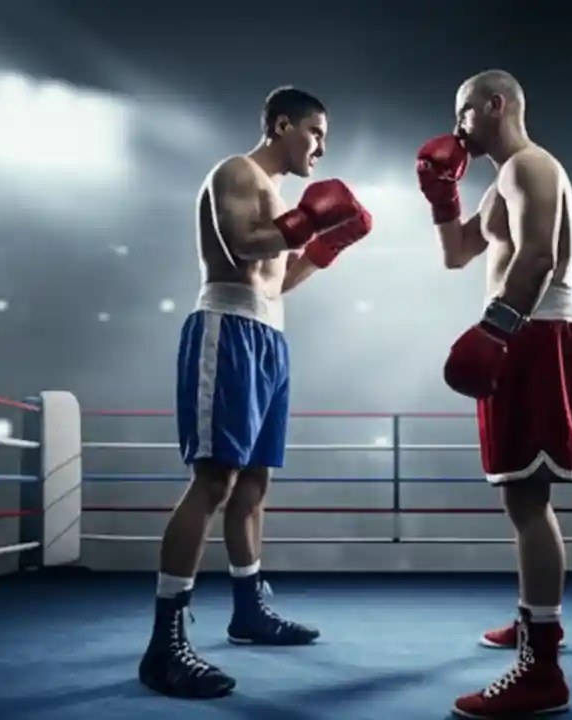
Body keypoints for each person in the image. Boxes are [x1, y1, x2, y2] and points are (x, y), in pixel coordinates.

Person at [139, 86, 373, 699]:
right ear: (280, 124)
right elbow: (244, 245)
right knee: (213, 480)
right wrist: (309, 221)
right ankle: (164, 644)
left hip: (269, 335)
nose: (322, 147)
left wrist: (326, 246)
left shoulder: (282, 197)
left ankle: (248, 608)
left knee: (255, 483)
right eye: (316, 132)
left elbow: (276, 280)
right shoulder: (235, 173)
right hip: (227, 329)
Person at [416, 69, 572, 718]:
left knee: (527, 496)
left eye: (463, 112)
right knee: (520, 495)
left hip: (535, 331)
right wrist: (441, 198)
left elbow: (538, 257)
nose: (457, 126)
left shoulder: (531, 168)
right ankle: (536, 620)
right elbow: (459, 254)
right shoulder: (502, 180)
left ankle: (541, 668)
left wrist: (496, 329)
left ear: (494, 105)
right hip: (521, 331)